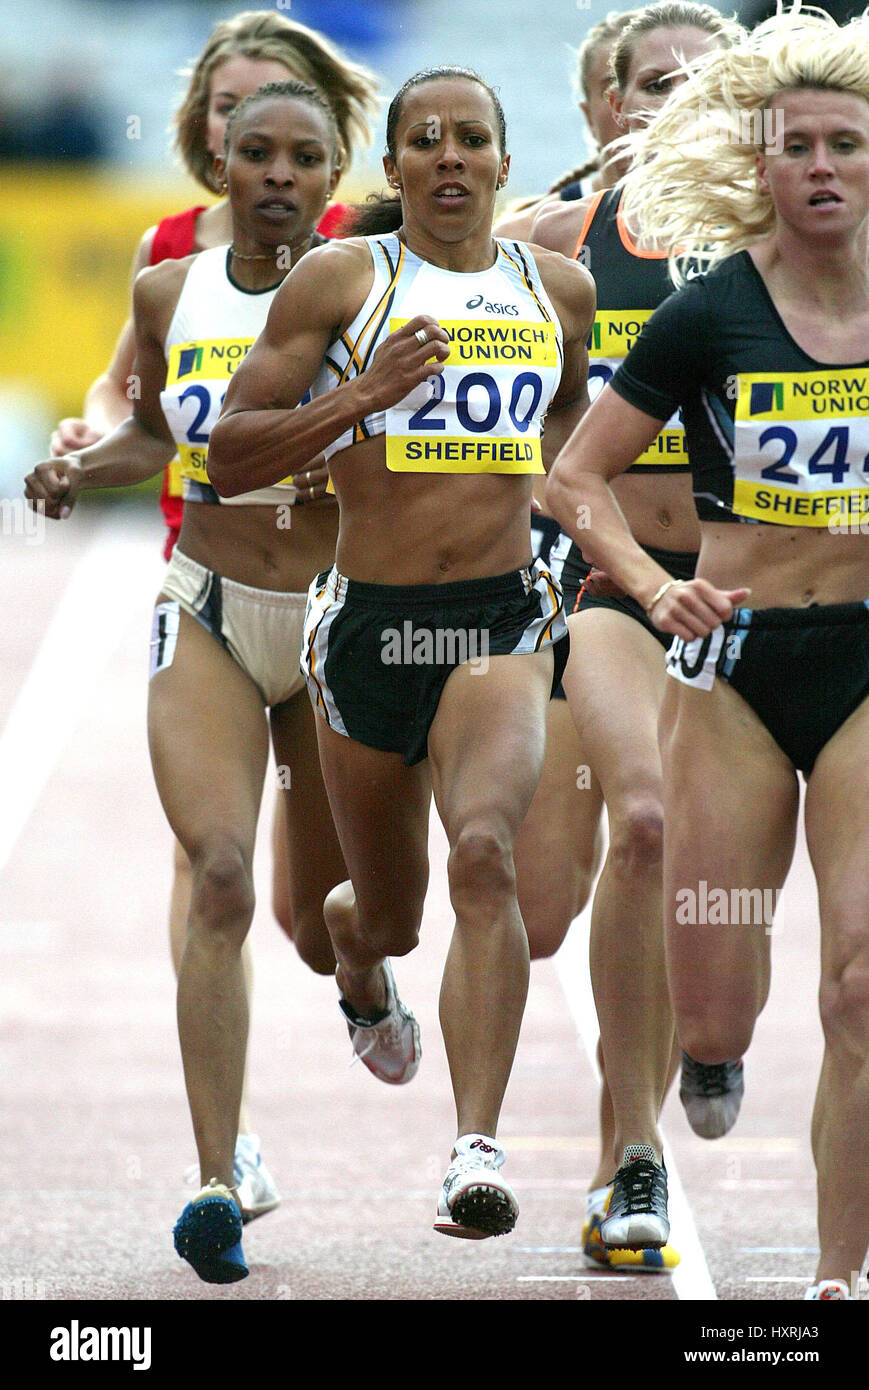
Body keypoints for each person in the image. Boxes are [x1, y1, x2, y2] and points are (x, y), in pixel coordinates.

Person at [208, 66, 595, 1241]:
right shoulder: (343, 279)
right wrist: (362, 396)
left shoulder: (556, 290)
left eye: (469, 138)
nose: (446, 156)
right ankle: (354, 952)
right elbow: (230, 453)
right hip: (368, 625)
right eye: (421, 139)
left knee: (487, 856)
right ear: (392, 168)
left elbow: (573, 418)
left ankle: (473, 1147)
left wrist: (603, 538)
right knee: (390, 916)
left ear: (500, 164)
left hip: (499, 620)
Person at [546, 7, 869, 1299]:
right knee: (717, 1008)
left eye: (848, 144)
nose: (825, 169)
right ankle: (707, 1055)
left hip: (863, 668)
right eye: (797, 149)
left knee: (858, 987)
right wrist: (642, 583)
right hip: (735, 670)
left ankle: (837, 1274)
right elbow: (575, 479)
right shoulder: (709, 313)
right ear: (761, 167)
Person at [48, 9, 380, 1222]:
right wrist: (85, 451)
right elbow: (134, 394)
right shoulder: (169, 261)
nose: (267, 157)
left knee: (317, 915)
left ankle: (359, 964)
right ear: (210, 135)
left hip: (339, 604)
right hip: (205, 583)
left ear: (326, 149)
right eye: (239, 125)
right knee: (217, 873)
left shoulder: (368, 260)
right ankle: (218, 1165)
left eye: (289, 133)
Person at [531, 1, 744, 1266]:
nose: (673, 101)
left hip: (745, 587)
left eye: (701, 84)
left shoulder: (785, 244)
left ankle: (633, 1155)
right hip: (603, 577)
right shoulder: (556, 245)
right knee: (539, 905)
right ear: (606, 108)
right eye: (649, 84)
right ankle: (364, 917)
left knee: (660, 829)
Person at [494, 9, 637, 244]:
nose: (633, 106)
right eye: (614, 89)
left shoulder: (717, 224)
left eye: (655, 86)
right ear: (588, 115)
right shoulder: (519, 240)